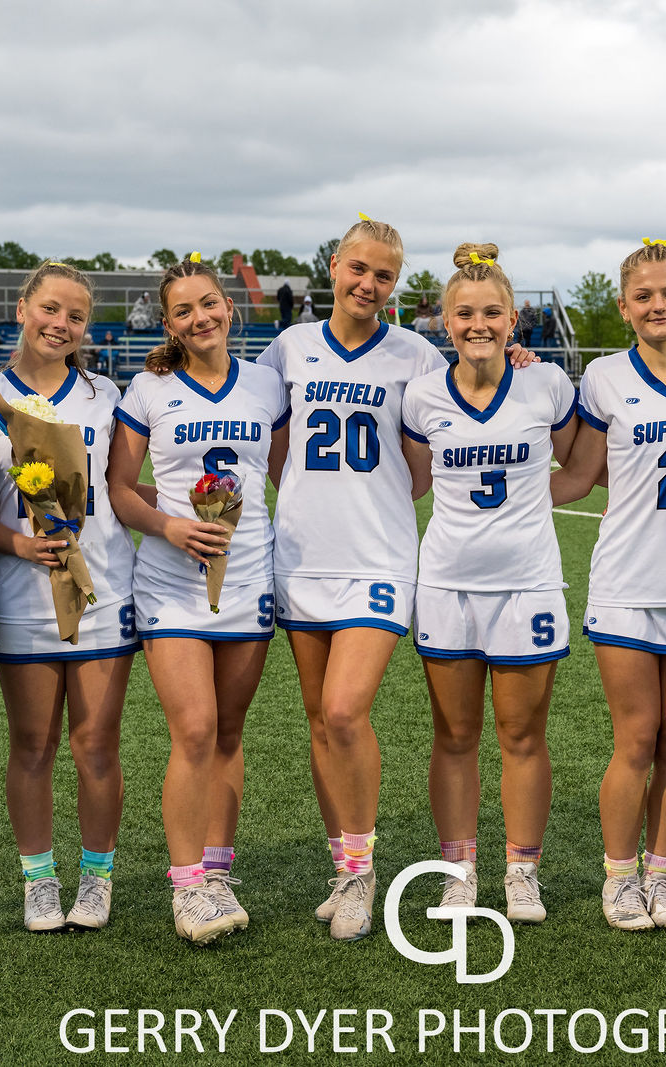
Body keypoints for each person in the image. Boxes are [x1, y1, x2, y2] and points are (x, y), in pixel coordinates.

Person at [255, 216, 447, 941]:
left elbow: (420, 473)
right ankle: (344, 865)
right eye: (359, 269)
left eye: (385, 276)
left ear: (396, 285)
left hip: (378, 555)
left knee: (343, 711)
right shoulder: (289, 348)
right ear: (334, 267)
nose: (369, 284)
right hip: (303, 554)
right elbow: (276, 453)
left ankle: (363, 870)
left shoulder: (417, 355)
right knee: (317, 721)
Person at [552, 239, 666, 931]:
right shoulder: (601, 377)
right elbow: (577, 475)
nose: (658, 305)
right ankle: (620, 876)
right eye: (644, 296)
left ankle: (663, 875)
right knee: (635, 737)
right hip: (626, 581)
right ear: (624, 306)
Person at [110, 257, 290, 944]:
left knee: (228, 733)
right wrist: (170, 526)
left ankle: (217, 871)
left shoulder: (267, 384)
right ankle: (186, 887)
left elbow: (282, 474)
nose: (200, 318)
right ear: (169, 323)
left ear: (228, 306)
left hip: (248, 576)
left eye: (209, 303)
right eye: (184, 310)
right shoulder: (150, 387)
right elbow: (121, 486)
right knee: (193, 730)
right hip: (170, 580)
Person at [401, 243, 578, 924]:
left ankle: (522, 871)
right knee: (453, 735)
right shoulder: (421, 396)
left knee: (523, 735)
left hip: (528, 583)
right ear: (445, 322)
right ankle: (459, 869)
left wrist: (531, 502)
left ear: (513, 321)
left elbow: (583, 468)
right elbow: (413, 484)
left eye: (493, 312)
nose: (480, 323)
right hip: (446, 581)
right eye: (466, 313)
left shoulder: (546, 384)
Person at [0, 262, 138, 934]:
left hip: (102, 586)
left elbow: (120, 490)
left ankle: (96, 878)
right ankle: (40, 882)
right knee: (32, 742)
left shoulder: (106, 392)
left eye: (74, 316)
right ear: (23, 306)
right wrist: (15, 543)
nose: (60, 324)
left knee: (96, 742)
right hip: (22, 592)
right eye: (50, 309)